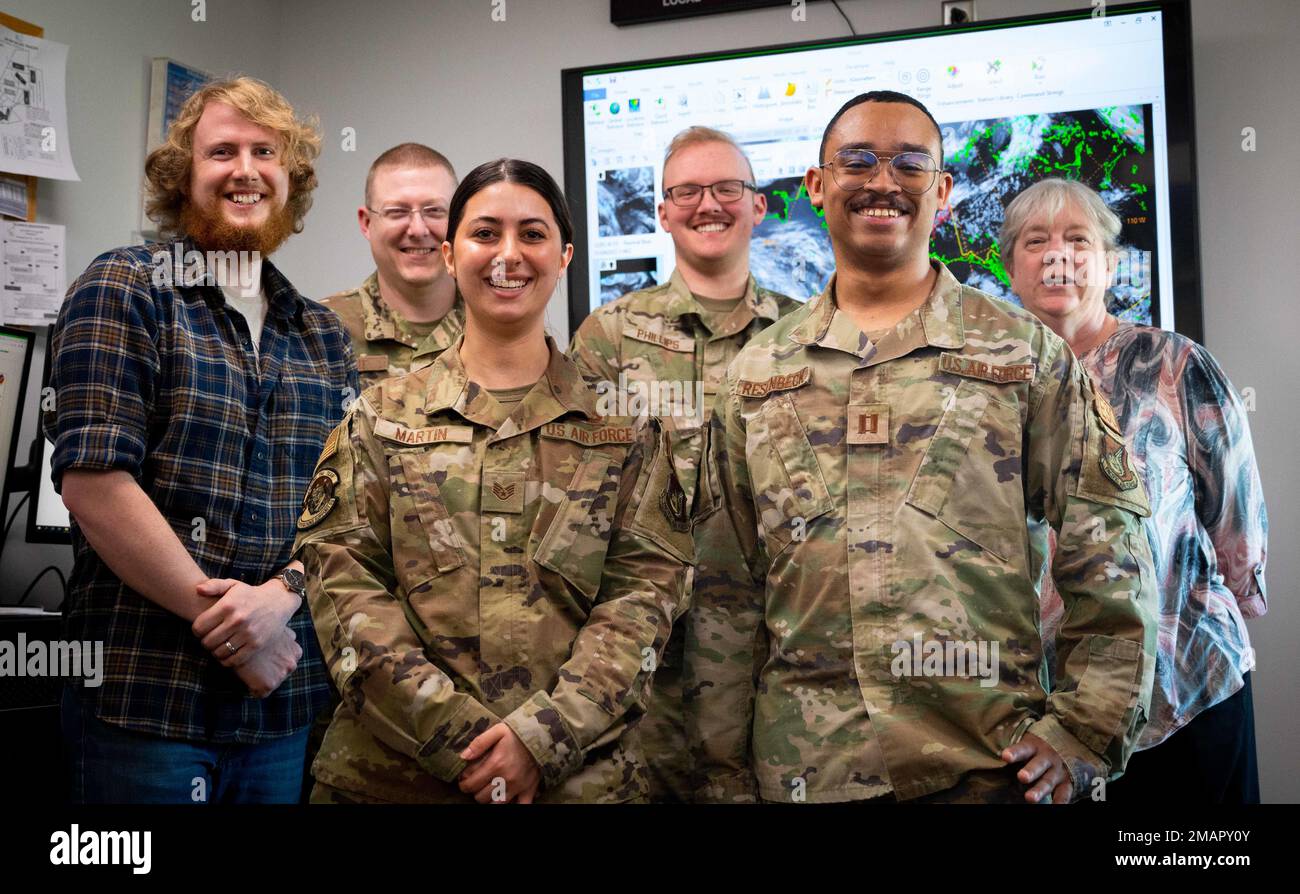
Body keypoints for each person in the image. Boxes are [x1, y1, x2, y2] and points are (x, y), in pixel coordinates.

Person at [683, 90, 1158, 805]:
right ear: (817, 185)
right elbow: (726, 594)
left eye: (910, 164)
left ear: (941, 192)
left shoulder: (1020, 354)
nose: (882, 181)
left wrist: (1083, 732)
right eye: (857, 161)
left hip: (985, 771)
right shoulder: (756, 374)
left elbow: (1109, 547)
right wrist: (724, 776)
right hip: (809, 775)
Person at [293, 158, 694, 804]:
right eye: (485, 234)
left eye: (532, 235)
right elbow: (345, 590)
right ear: (451, 255)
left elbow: (640, 603)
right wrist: (461, 741)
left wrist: (540, 740)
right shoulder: (379, 418)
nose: (508, 254)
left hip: (575, 781)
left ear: (564, 256)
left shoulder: (626, 427)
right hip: (394, 780)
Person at [45, 77, 356, 803]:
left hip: (276, 707)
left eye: (265, 152)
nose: (245, 169)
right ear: (184, 175)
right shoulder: (125, 287)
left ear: (291, 179)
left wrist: (282, 598)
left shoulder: (323, 334)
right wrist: (236, 628)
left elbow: (349, 509)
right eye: (222, 151)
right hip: (143, 701)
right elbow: (93, 483)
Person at [1001, 177, 1268, 803]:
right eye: (1035, 241)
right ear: (1010, 266)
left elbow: (1236, 516)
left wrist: (1235, 596)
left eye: (1078, 240)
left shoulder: (1175, 364)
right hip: (1052, 714)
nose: (1057, 255)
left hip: (1183, 689)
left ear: (1111, 263)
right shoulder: (991, 389)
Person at [568, 126, 799, 802]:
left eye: (728, 188)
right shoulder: (609, 336)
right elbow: (579, 494)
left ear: (757, 206)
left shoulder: (803, 337)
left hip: (771, 653)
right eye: (687, 191)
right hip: (646, 662)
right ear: (662, 211)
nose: (709, 205)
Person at [322, 143, 463, 388]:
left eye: (434, 211)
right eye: (397, 212)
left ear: (459, 219)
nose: (418, 229)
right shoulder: (321, 330)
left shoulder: (496, 322)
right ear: (366, 223)